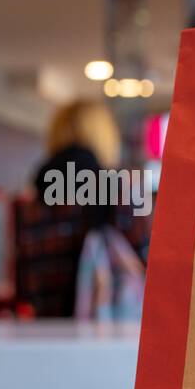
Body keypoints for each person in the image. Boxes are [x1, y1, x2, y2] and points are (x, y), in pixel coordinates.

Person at [16, 101, 145, 319]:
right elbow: (149, 264)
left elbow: (23, 282)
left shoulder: (32, 203)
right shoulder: (120, 191)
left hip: (46, 335)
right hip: (111, 335)